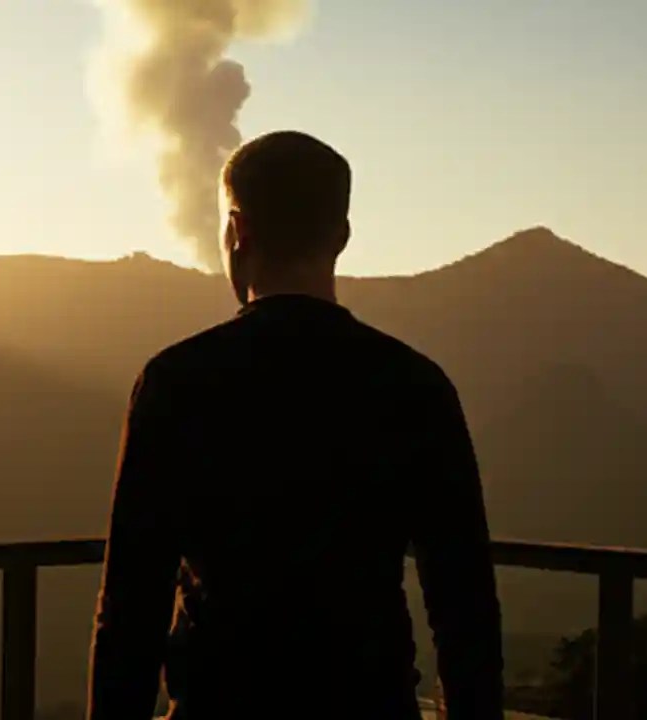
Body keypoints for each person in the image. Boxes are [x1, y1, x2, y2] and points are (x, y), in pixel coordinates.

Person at [88, 130, 503, 719]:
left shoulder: (177, 382)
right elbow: (465, 606)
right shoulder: (416, 386)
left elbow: (131, 607)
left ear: (238, 229)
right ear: (342, 235)